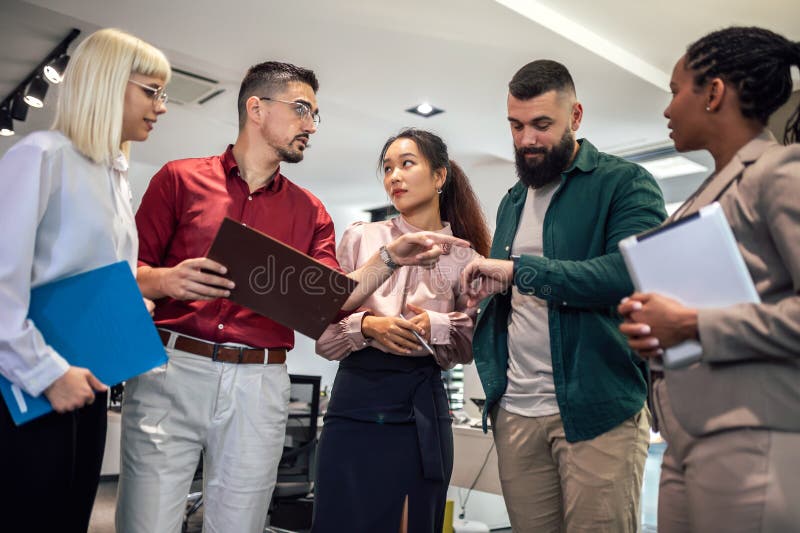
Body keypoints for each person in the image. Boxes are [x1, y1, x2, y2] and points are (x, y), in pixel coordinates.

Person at [117, 63, 465, 533]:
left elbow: (334, 301)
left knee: (239, 525)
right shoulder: (178, 179)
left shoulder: (311, 211)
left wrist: (389, 258)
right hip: (173, 368)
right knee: (146, 522)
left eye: (314, 114)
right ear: (256, 108)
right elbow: (125, 274)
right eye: (302, 110)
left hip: (259, 382)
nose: (311, 126)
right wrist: (166, 281)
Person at [460, 60, 667, 532]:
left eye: (541, 124)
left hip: (598, 413)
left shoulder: (624, 183)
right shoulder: (513, 201)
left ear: (575, 116)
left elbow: (630, 272)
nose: (526, 139)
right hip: (516, 412)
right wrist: (483, 301)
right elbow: (515, 296)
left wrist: (519, 271)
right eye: (516, 126)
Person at [618, 26, 800, 532]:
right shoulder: (701, 200)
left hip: (752, 435)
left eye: (676, 91)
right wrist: (655, 329)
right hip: (686, 437)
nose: (668, 109)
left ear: (714, 92)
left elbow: (700, 320)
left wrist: (693, 324)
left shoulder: (779, 171)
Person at [0, 28, 170, 533]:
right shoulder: (42, 155)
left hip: (88, 382)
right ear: (108, 83)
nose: (161, 107)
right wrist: (46, 373)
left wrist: (132, 310)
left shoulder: (115, 176)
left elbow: (93, 278)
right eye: (151, 91)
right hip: (31, 383)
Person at [311, 128, 490, 533]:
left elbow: (470, 346)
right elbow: (323, 335)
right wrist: (366, 326)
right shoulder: (361, 238)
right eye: (388, 168)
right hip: (354, 405)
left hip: (421, 409)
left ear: (439, 176)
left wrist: (436, 324)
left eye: (407, 164)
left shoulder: (467, 256)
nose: (394, 176)